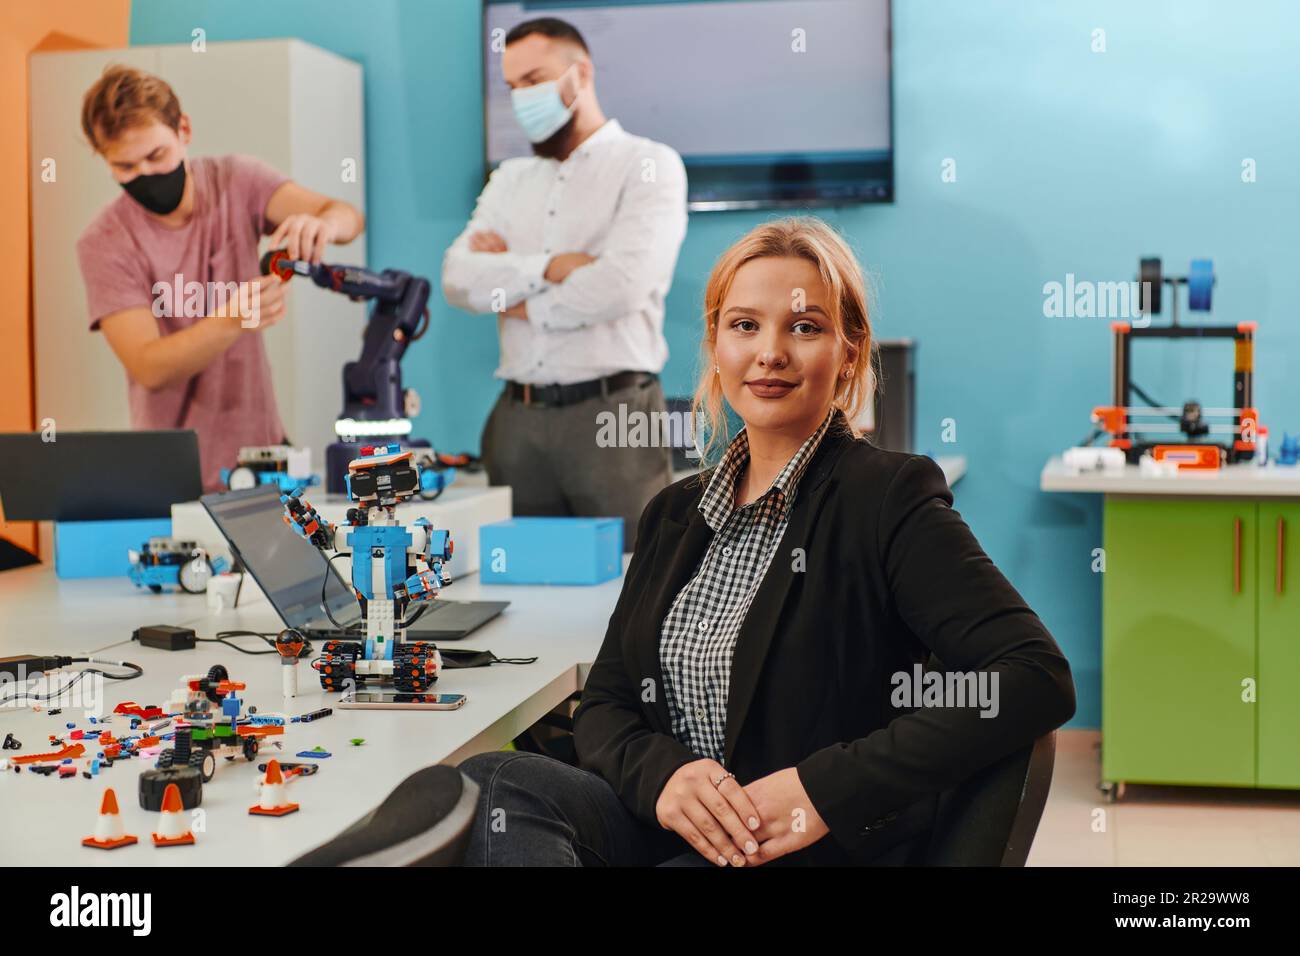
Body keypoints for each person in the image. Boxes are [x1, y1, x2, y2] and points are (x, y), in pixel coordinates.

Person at [458, 218, 1076, 866]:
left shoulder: (887, 497)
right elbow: (607, 704)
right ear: (717, 345)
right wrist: (664, 776)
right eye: (745, 325)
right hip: (673, 834)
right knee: (495, 784)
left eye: (804, 327)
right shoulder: (675, 512)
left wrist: (823, 790)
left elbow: (1035, 674)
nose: (770, 352)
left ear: (851, 351)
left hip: (802, 849)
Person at [442, 17, 688, 553]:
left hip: (614, 418)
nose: (521, 98)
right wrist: (552, 265)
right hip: (516, 421)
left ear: (580, 74)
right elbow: (459, 280)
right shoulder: (509, 179)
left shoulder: (649, 165)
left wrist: (514, 295)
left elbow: (622, 285)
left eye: (534, 79)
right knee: (518, 586)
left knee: (638, 580)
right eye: (511, 88)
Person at [75, 65, 365, 491]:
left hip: (264, 456)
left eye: (156, 156)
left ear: (183, 130)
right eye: (124, 166)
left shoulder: (237, 181)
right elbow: (149, 366)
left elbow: (345, 215)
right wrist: (235, 318)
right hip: (173, 474)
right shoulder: (104, 241)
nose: (146, 175)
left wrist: (323, 226)